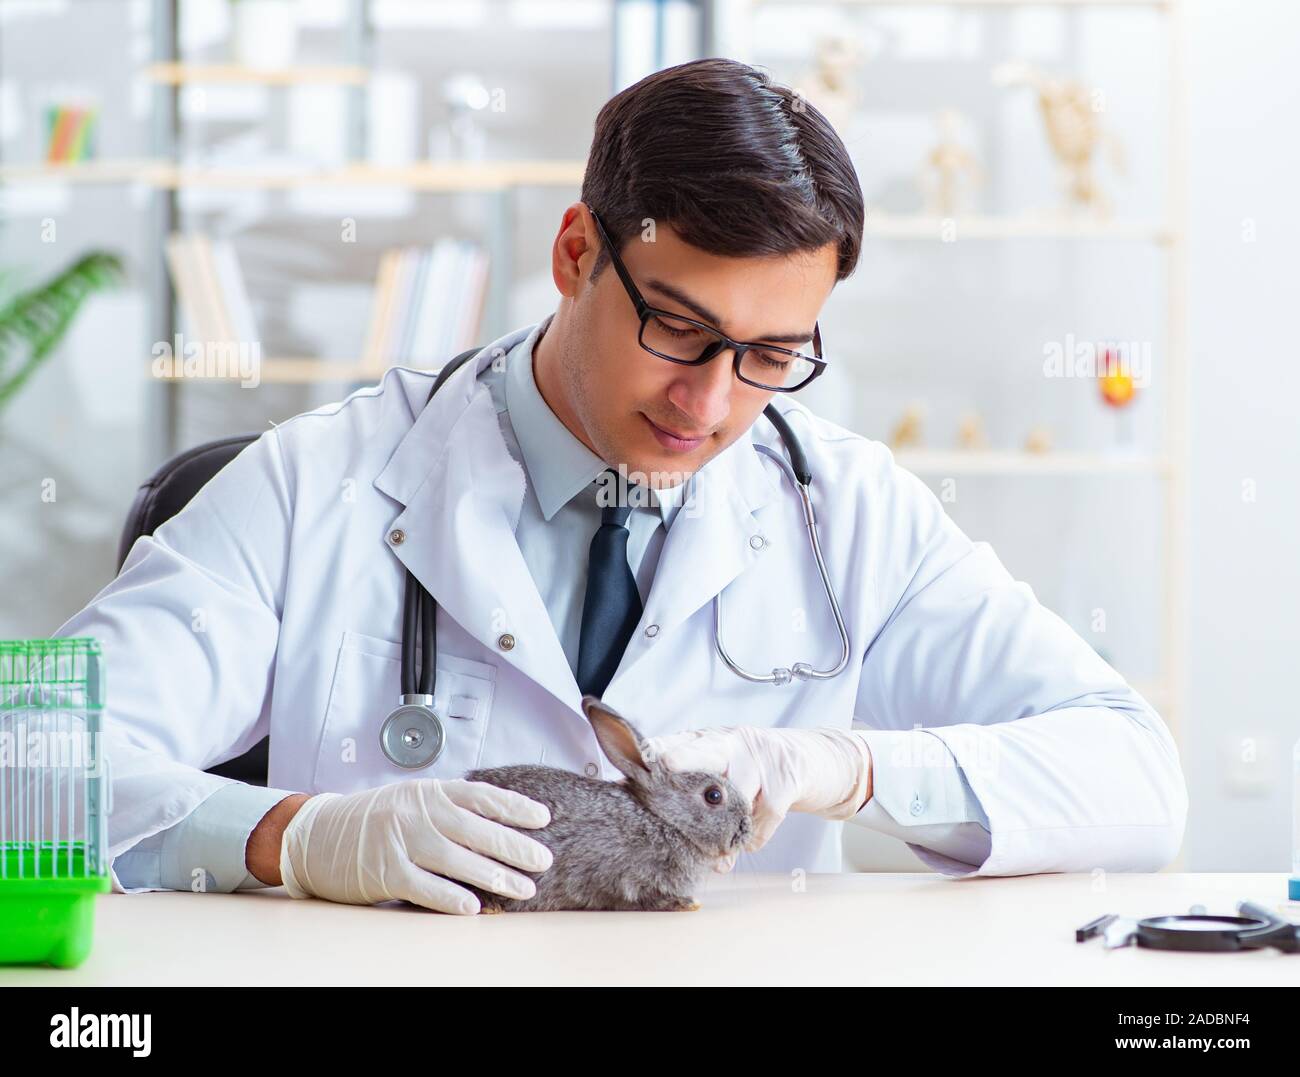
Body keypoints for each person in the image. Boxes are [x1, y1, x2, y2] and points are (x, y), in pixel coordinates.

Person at [54, 58, 1186, 915]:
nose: (710, 403)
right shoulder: (319, 483)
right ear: (575, 253)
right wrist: (292, 838)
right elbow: (33, 768)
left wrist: (849, 766)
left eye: (771, 356)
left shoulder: (846, 513)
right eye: (678, 329)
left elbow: (1135, 779)